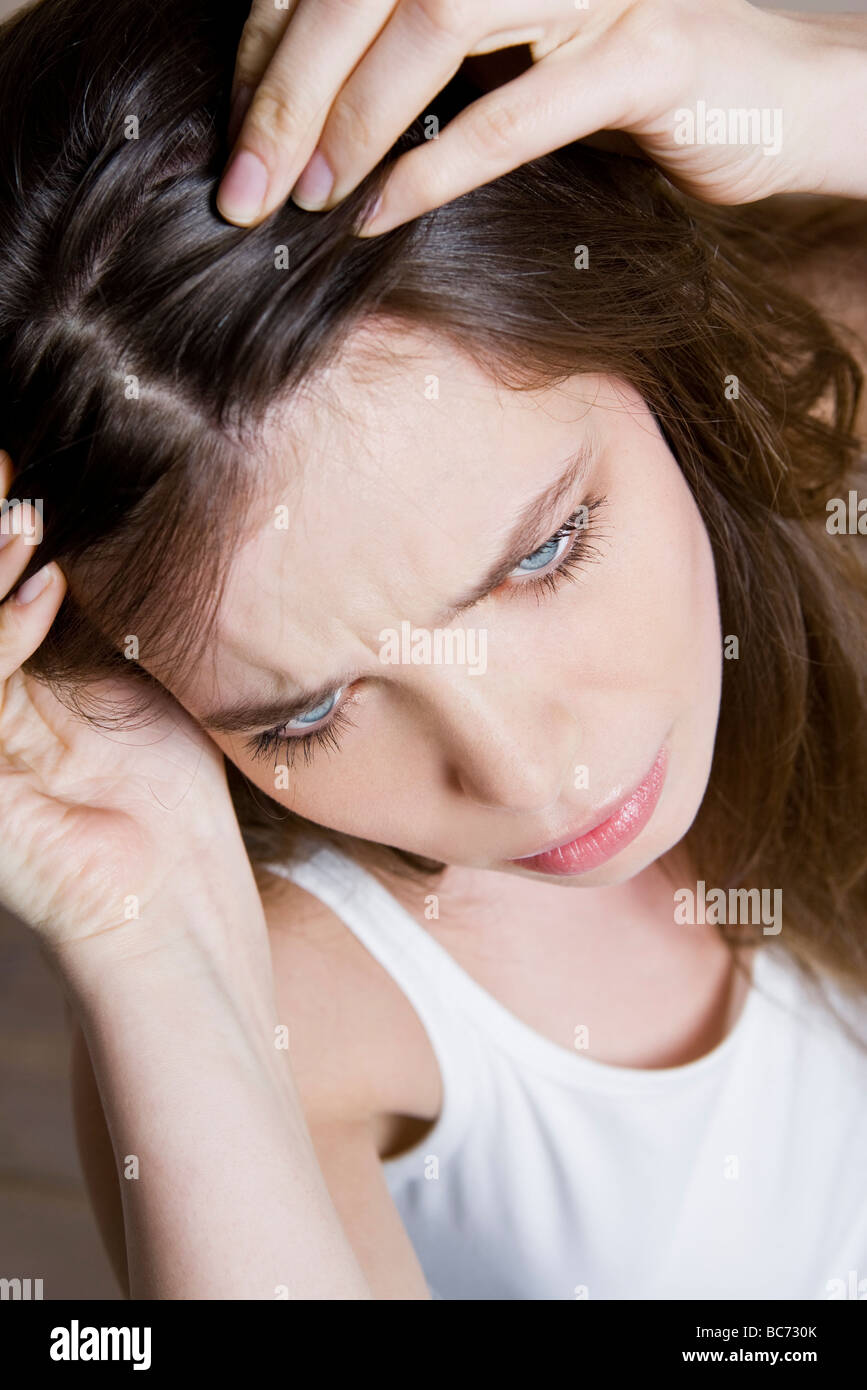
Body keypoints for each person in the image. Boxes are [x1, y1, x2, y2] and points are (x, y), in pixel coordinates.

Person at [0, 0, 865, 1300]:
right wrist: (151, 936)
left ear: (653, 337)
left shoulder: (819, 380)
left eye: (545, 551)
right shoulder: (305, 1007)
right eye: (306, 712)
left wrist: (822, 89)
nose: (532, 775)